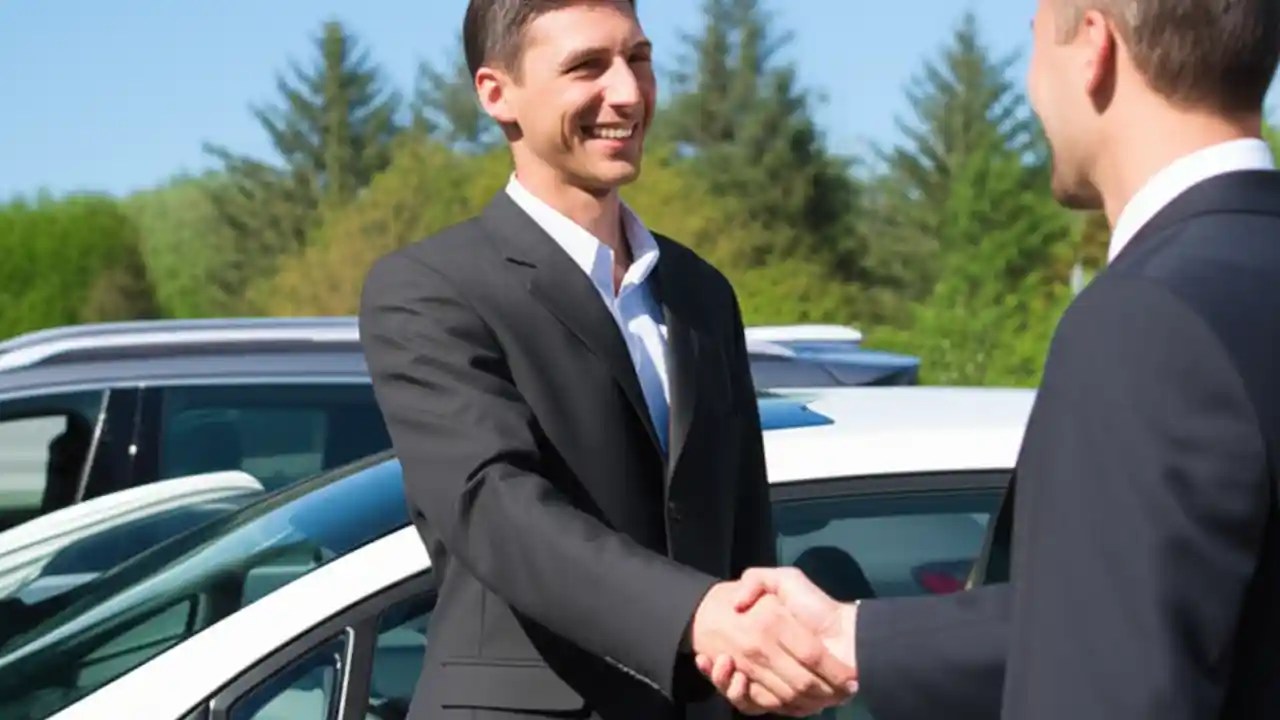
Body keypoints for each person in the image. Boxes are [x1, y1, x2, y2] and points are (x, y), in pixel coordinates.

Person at [699, 0, 1280, 717]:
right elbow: (1138, 614)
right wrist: (852, 637)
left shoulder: (1144, 320)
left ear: (1092, 47)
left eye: (1034, 40)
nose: (1032, 87)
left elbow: (1109, 681)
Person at [357, 1, 857, 718]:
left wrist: (770, 666)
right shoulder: (430, 289)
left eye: (639, 59)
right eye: (587, 66)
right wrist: (696, 614)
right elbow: (492, 506)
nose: (627, 92)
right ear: (497, 93)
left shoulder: (700, 292)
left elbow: (744, 528)